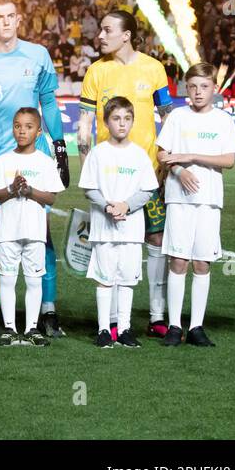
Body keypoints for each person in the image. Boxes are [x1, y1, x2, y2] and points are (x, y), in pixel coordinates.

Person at [0, 0, 70, 337]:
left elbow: (49, 103)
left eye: (11, 16)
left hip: (33, 160)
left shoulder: (38, 55)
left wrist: (59, 144)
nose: (6, 22)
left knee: (42, 236)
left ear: (18, 19)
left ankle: (48, 311)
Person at [78, 10, 174, 339]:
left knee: (156, 240)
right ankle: (114, 322)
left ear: (126, 35)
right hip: (108, 179)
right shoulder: (95, 71)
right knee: (111, 247)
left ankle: (158, 314)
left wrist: (167, 160)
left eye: (107, 30)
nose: (100, 35)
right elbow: (84, 123)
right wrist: (84, 159)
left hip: (149, 176)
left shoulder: (154, 68)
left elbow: (168, 118)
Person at [156, 63, 235, 347]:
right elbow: (162, 154)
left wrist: (191, 155)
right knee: (178, 260)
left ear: (214, 89)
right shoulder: (177, 117)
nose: (198, 92)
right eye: (192, 87)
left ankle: (196, 327)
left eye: (204, 86)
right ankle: (173, 326)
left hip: (208, 199)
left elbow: (228, 160)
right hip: (179, 197)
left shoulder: (222, 120)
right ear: (186, 89)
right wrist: (180, 171)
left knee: (202, 262)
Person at [79, 97, 159, 349]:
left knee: (126, 279)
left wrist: (126, 206)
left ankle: (124, 329)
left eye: (127, 118)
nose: (122, 124)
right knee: (104, 277)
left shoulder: (139, 155)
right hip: (104, 228)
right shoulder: (98, 153)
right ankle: (104, 329)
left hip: (132, 229)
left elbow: (147, 190)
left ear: (133, 121)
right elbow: (89, 188)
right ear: (106, 122)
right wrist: (107, 206)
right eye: (116, 118)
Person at [0, 108, 65, 346]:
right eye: (18, 125)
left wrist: (29, 191)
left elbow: (51, 198)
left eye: (29, 126)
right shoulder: (4, 160)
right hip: (8, 231)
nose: (22, 130)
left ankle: (31, 329)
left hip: (34, 231)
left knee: (33, 280)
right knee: (8, 279)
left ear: (39, 131)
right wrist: (11, 189)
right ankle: (9, 327)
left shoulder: (44, 162)